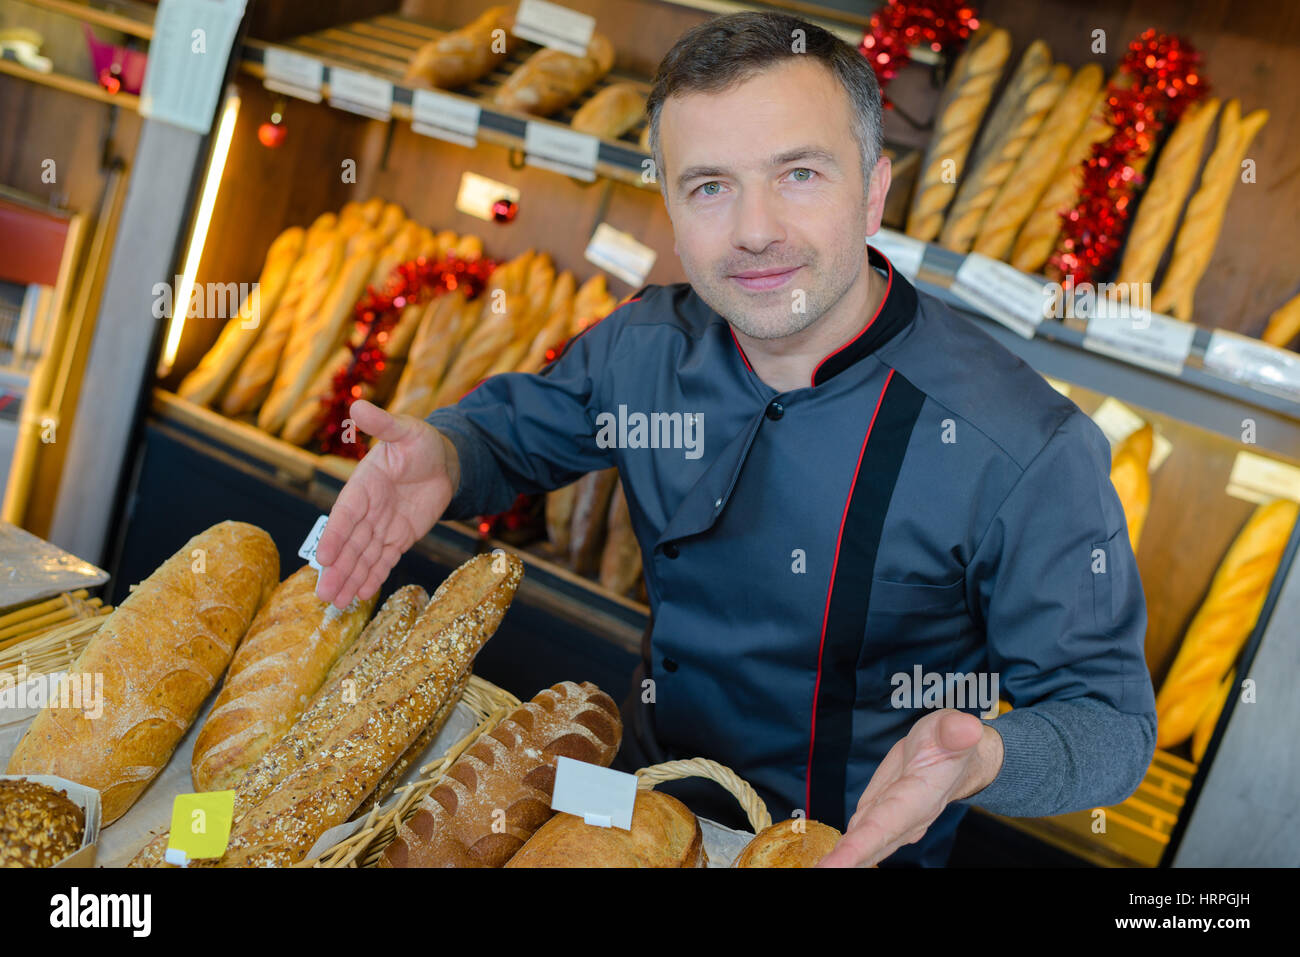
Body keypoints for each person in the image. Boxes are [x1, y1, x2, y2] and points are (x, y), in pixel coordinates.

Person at [314, 11, 1156, 867]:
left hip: (846, 853)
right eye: (710, 185)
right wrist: (450, 452)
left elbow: (1112, 724)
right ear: (673, 211)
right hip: (635, 807)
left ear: (872, 190)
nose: (753, 229)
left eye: (797, 173)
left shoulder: (1023, 445)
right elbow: (514, 434)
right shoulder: (644, 345)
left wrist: (985, 757)